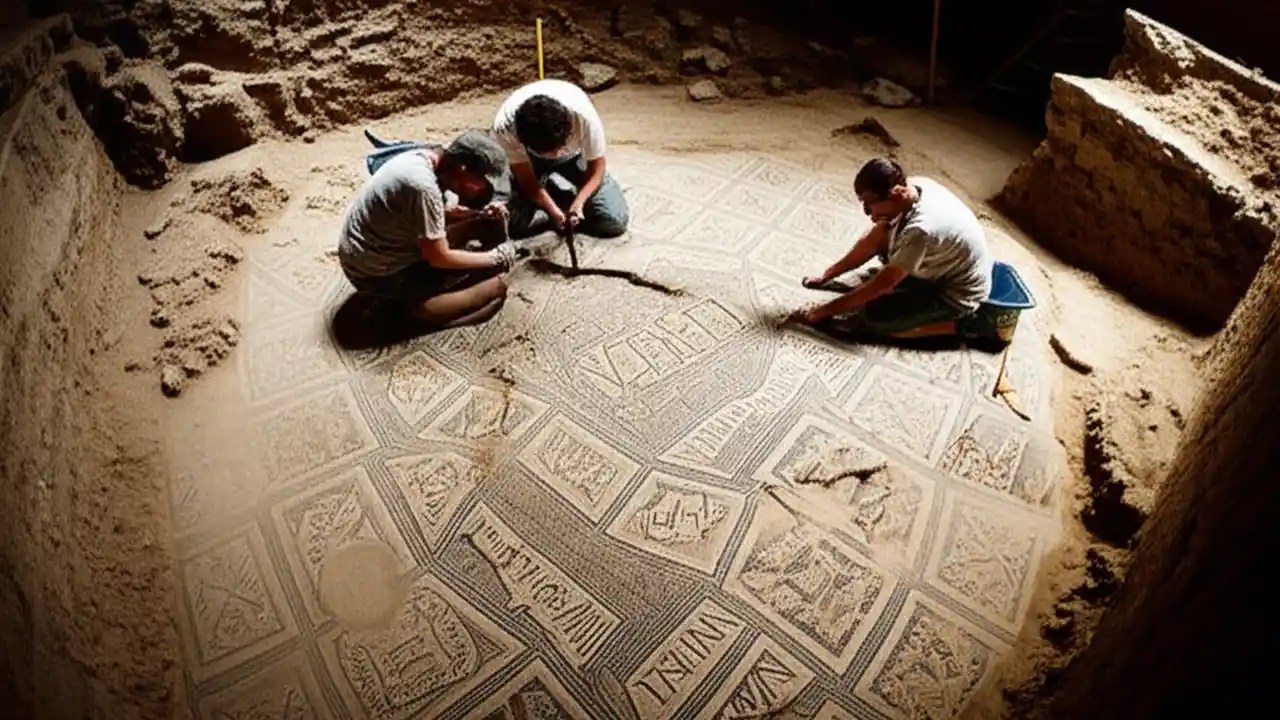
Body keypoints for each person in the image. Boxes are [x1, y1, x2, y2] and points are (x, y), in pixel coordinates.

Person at [791, 156, 993, 340]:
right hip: (941, 265)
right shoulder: (914, 185)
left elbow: (879, 287)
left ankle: (962, 325)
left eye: (870, 206)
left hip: (956, 294)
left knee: (875, 319)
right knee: (885, 247)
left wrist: (821, 312)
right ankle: (907, 283)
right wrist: (828, 275)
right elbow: (871, 242)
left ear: (896, 194)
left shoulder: (921, 231)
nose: (868, 213)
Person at [337, 129, 521, 330]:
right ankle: (404, 312)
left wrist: (475, 214)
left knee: (478, 227)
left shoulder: (426, 157)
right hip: (374, 274)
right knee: (496, 287)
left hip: (368, 250)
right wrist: (495, 256)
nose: (479, 189)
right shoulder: (423, 188)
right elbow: (439, 257)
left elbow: (426, 214)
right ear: (462, 168)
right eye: (479, 182)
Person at [490, 78, 629, 239]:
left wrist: (578, 204)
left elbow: (596, 169)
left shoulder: (583, 118)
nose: (555, 155)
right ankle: (550, 193)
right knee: (511, 225)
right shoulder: (505, 128)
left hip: (573, 157)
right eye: (549, 151)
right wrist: (553, 211)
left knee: (614, 221)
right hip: (530, 161)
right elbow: (527, 180)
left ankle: (558, 196)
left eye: (557, 148)